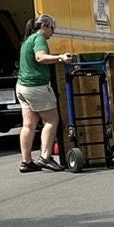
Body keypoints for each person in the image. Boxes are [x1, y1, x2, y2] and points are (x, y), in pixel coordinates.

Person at [15, 14, 76, 173]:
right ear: (45, 27)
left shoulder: (26, 40)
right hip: (37, 87)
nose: (53, 32)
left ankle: (26, 161)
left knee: (29, 124)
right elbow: (40, 57)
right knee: (51, 120)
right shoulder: (39, 39)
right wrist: (60, 58)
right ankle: (45, 157)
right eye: (52, 28)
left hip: (22, 87)